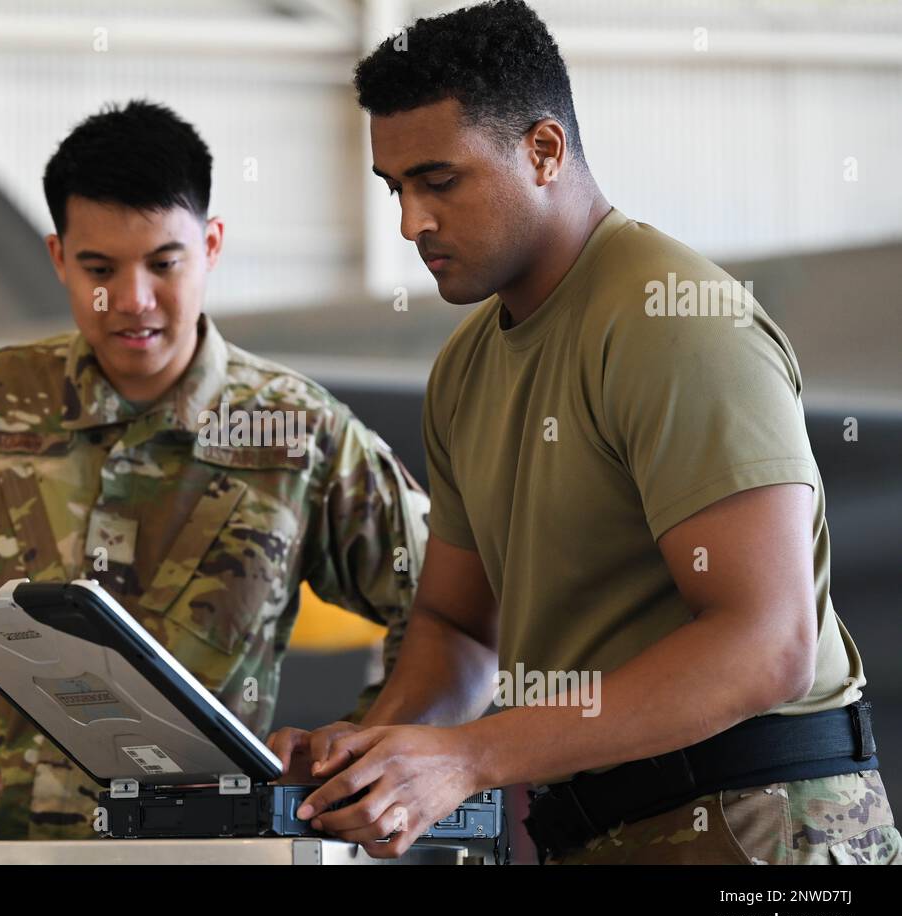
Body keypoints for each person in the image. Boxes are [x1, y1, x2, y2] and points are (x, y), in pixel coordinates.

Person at [270, 0, 897, 864]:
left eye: (439, 180)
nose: (412, 221)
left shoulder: (675, 321)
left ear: (544, 150)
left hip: (761, 832)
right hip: (598, 828)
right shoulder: (463, 370)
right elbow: (457, 627)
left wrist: (469, 758)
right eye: (396, 189)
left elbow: (767, 645)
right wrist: (366, 760)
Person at [0, 100, 428, 840]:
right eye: (98, 268)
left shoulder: (298, 433)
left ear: (211, 247)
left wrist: (350, 756)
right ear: (58, 258)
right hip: (9, 855)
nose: (133, 301)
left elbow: (450, 607)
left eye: (163, 263)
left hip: (209, 857)